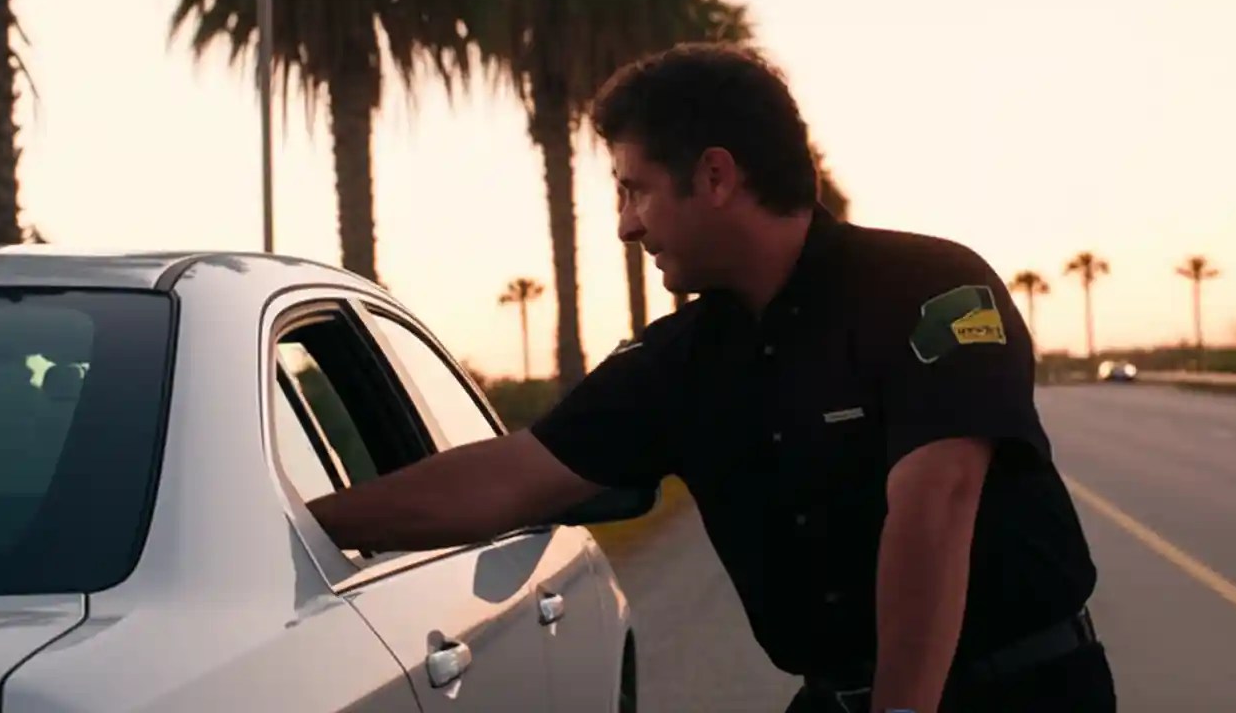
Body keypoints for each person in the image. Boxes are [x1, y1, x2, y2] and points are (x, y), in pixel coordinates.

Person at [308, 42, 1117, 713]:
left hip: (1025, 693)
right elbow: (505, 478)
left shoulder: (932, 288)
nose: (625, 225)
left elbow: (935, 503)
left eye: (634, 189)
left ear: (717, 177)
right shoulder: (678, 362)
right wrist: (303, 525)